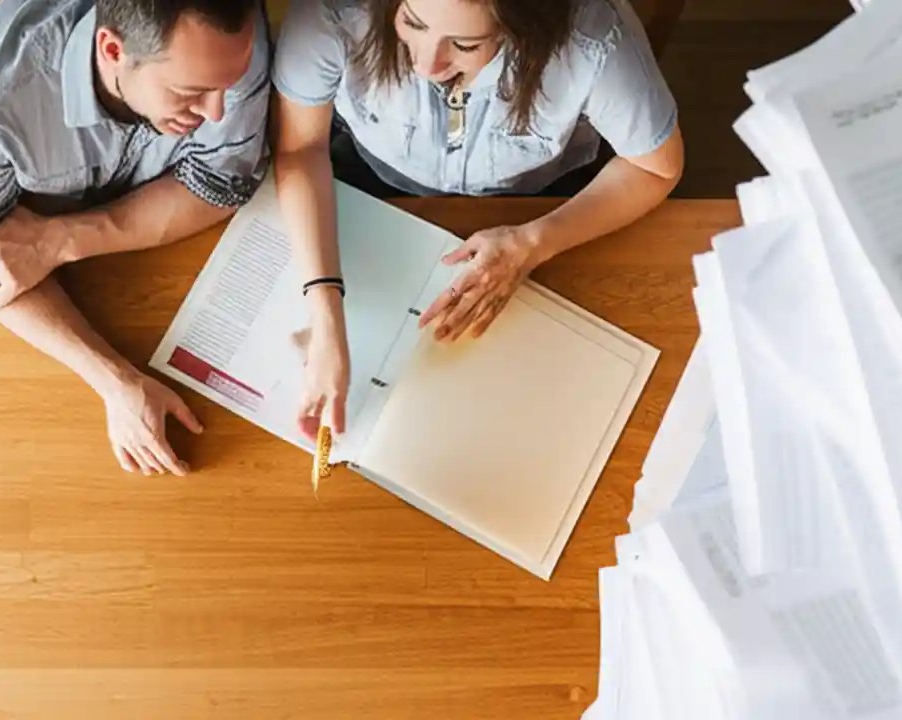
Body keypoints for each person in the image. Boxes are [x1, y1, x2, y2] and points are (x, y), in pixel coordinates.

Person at [271, 0, 684, 441]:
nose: (428, 66)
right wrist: (326, 311)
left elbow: (655, 168)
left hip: (540, 199)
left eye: (466, 45)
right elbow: (299, 150)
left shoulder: (593, 42)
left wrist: (534, 242)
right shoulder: (333, 13)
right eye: (412, 22)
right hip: (372, 176)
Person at [0, 0, 271, 477]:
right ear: (112, 49)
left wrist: (58, 241)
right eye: (191, 92)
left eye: (231, 85)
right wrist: (115, 381)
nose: (218, 111)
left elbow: (221, 185)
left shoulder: (227, 40)